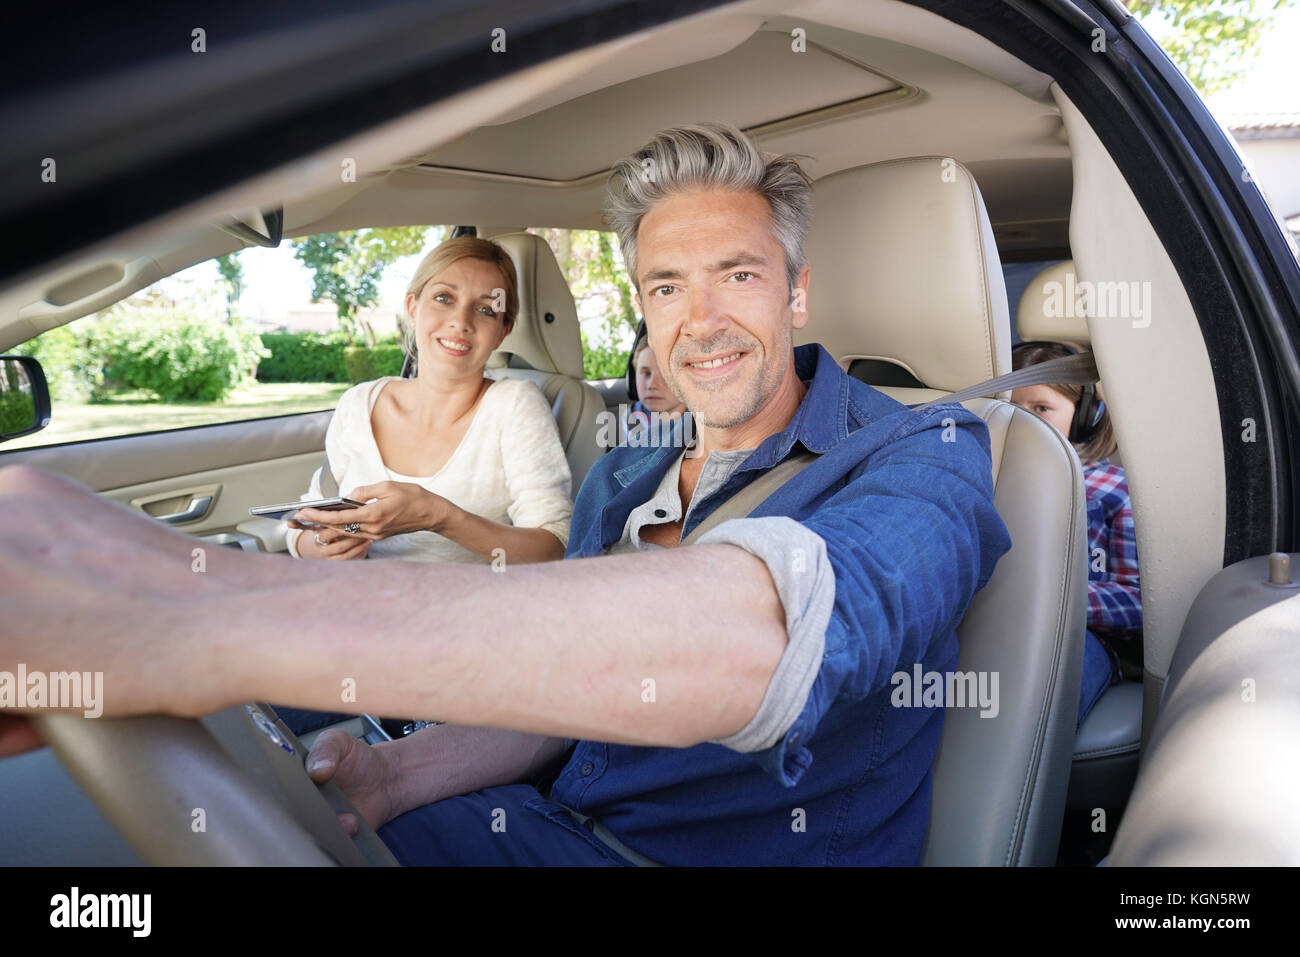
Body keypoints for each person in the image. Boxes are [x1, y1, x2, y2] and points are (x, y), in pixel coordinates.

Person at [0, 123, 1011, 865]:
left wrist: (196, 610)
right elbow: (565, 694)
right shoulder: (629, 470)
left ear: (794, 293)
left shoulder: (927, 452)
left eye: (736, 275)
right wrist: (399, 775)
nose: (699, 320)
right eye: (665, 287)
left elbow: (773, 634)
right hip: (543, 825)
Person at [285, 235, 572, 566]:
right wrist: (320, 545)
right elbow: (308, 518)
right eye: (443, 298)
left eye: (484, 309)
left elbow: (555, 548)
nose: (460, 322)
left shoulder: (515, 405)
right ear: (412, 308)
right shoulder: (359, 403)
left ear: (501, 332)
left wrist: (440, 517)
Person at [1010, 341, 1142, 728]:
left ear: (1086, 416)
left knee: (1029, 706)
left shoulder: (1112, 491)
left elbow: (1141, 602)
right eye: (1010, 408)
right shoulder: (984, 480)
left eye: (1041, 409)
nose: (1023, 423)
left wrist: (1053, 600)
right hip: (994, 627)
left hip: (1083, 639)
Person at [620, 325, 687, 444]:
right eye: (645, 373)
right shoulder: (633, 417)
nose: (652, 385)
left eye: (664, 374)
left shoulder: (702, 421)